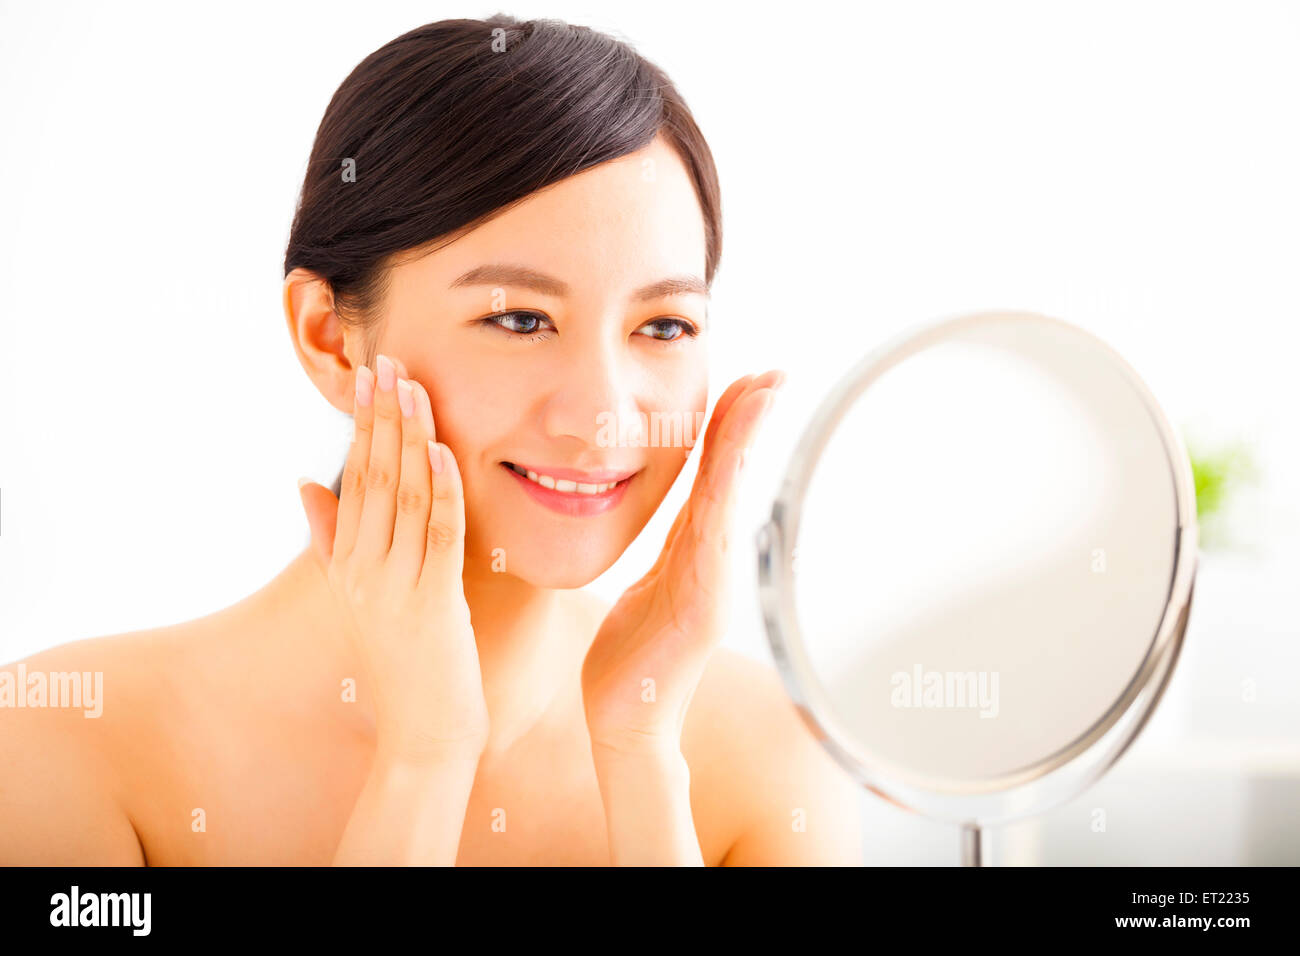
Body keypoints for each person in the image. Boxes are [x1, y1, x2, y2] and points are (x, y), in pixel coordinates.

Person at [0, 14, 861, 866]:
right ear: (330, 338)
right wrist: (424, 762)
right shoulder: (62, 750)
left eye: (665, 327)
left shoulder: (766, 764)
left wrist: (640, 760)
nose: (604, 412)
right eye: (520, 319)